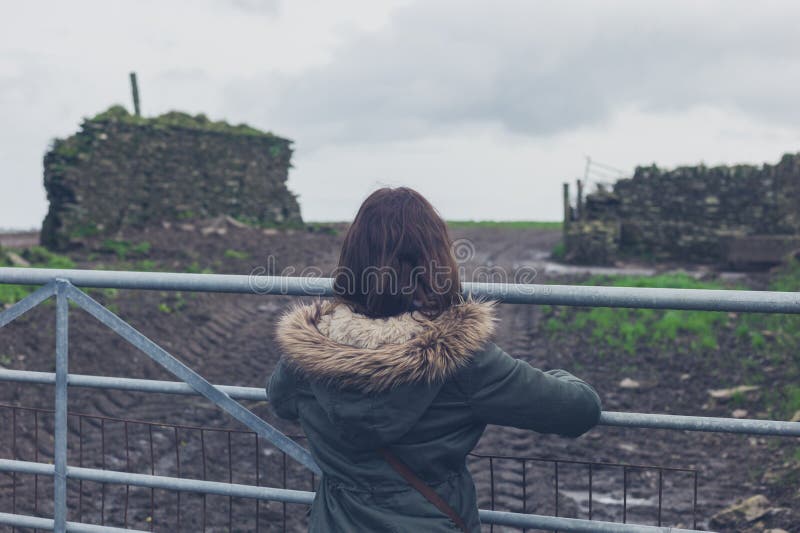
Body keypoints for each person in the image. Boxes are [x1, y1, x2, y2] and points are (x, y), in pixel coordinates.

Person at [268, 187, 601, 532]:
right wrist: (563, 375)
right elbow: (579, 410)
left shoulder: (307, 352)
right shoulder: (461, 358)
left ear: (352, 259)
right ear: (436, 260)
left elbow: (281, 403)